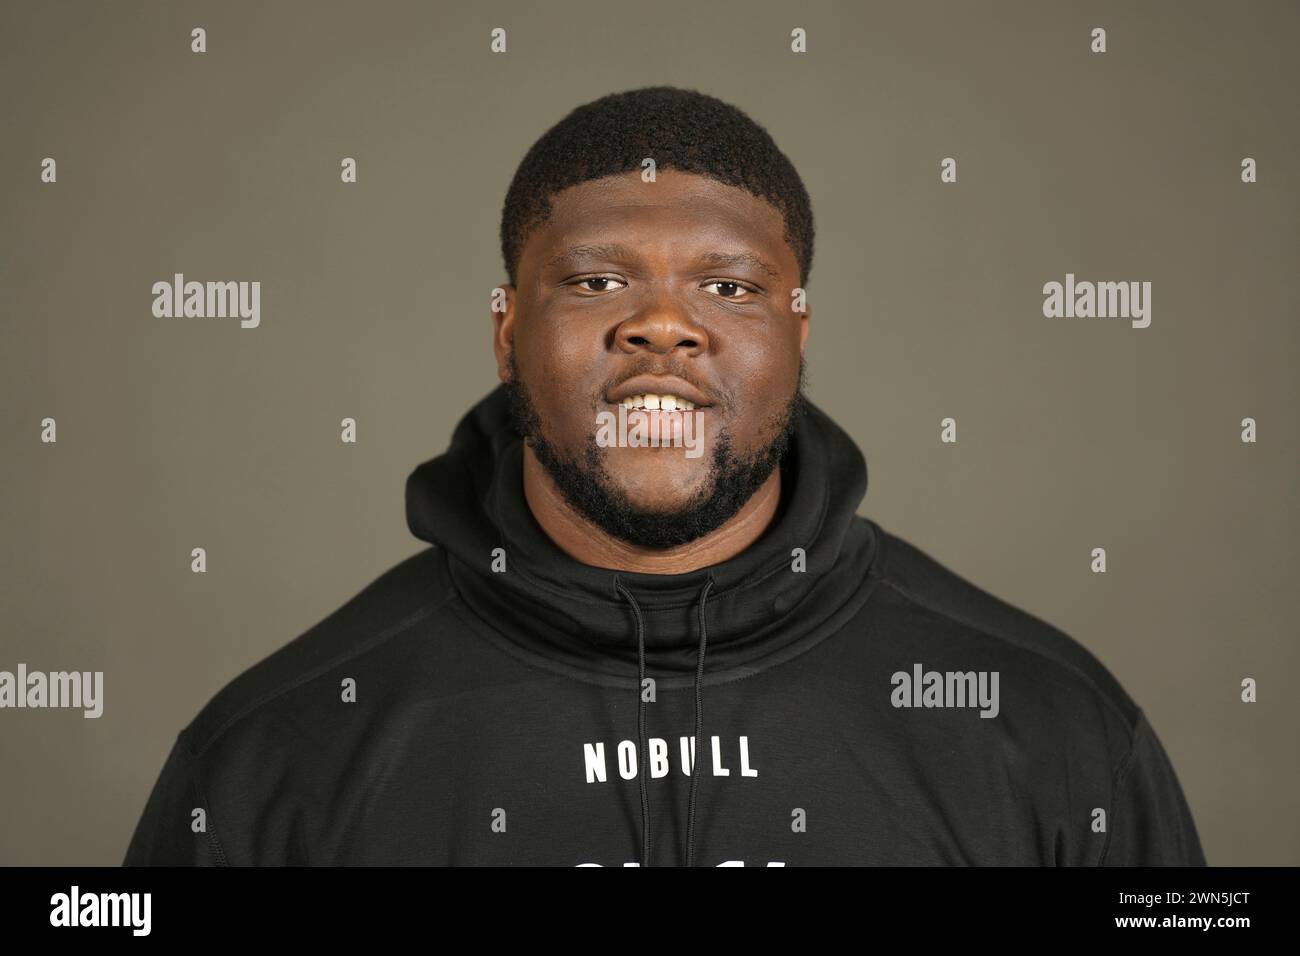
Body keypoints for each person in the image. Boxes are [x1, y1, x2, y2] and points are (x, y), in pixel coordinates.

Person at [124, 85, 1205, 866]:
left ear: (797, 328)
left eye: (729, 288)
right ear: (507, 333)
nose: (661, 325)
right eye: (596, 280)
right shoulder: (277, 753)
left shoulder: (1048, 726)